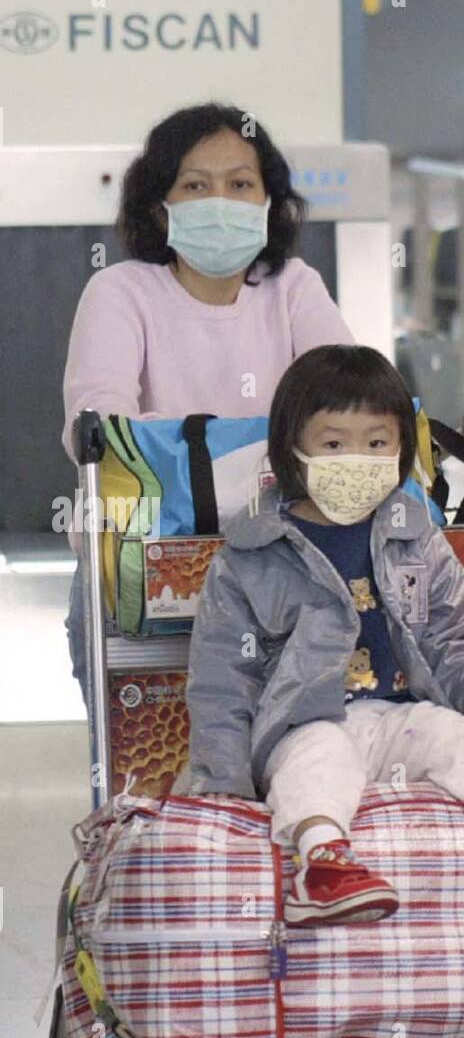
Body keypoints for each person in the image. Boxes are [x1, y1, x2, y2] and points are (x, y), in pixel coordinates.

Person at [186, 344, 464, 921]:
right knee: (319, 757)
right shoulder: (250, 557)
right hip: (300, 723)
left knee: (455, 737)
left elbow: (453, 641)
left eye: (377, 443)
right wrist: (225, 794)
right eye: (334, 444)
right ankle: (324, 862)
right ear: (292, 449)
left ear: (402, 449)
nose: (357, 459)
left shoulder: (417, 540)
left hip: (399, 717)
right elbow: (221, 685)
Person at [61, 101, 355, 698]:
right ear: (158, 207)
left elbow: (348, 410)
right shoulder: (119, 292)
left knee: (298, 755)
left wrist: (188, 448)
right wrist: (266, 449)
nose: (220, 200)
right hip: (149, 559)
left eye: (240, 184)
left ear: (269, 204)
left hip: (291, 556)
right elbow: (101, 438)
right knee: (157, 766)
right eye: (195, 185)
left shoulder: (294, 287)